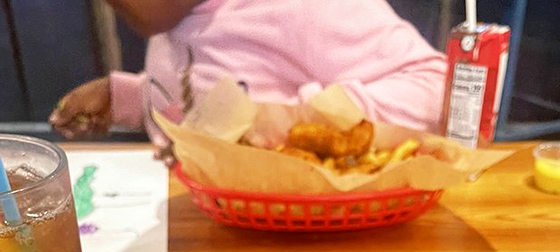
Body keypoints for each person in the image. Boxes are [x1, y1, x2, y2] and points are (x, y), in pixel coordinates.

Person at [50, 0, 448, 144]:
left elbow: (435, 87)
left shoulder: (306, 8)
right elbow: (202, 97)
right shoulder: (173, 18)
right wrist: (130, 98)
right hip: (200, 228)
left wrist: (300, 120)